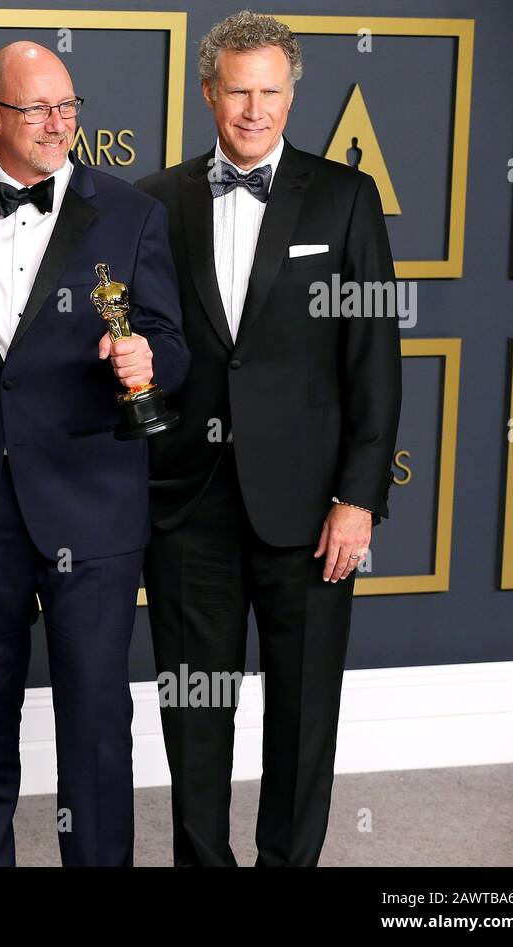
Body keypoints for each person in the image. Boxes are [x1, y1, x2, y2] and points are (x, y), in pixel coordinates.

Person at [0, 41, 188, 866]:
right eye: (36, 110)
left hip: (91, 500)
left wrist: (149, 359)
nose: (58, 125)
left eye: (67, 107)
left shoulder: (131, 211)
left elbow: (169, 337)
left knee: (95, 715)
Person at [135, 11, 402, 866]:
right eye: (239, 91)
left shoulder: (344, 196)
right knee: (195, 717)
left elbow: (375, 364)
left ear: (292, 94)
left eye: (272, 92)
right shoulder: (155, 201)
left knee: (302, 713)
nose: (255, 110)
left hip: (312, 507)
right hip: (190, 507)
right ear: (209, 91)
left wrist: (359, 498)